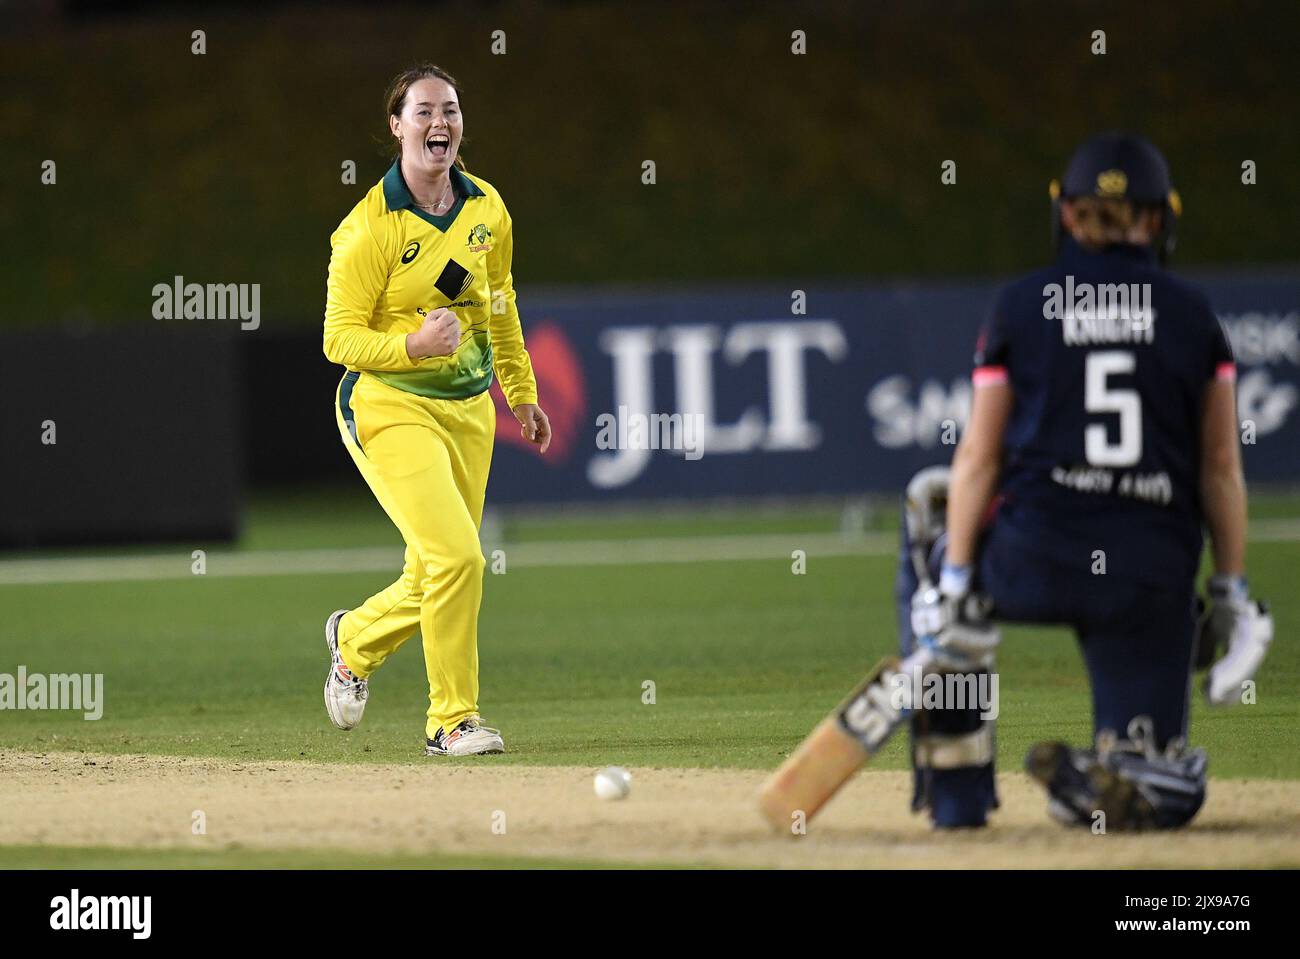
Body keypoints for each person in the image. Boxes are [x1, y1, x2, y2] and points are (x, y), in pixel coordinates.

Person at [896, 132, 1273, 830]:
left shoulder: (1020, 305)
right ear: (1157, 219)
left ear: (1067, 213)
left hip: (1029, 562)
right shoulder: (1192, 315)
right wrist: (1230, 588)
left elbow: (977, 457)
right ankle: (1124, 773)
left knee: (931, 507)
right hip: (1146, 578)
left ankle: (958, 795)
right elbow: (1221, 469)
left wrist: (952, 584)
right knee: (1155, 774)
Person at [320, 63, 551, 757]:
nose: (438, 122)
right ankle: (451, 721)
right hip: (388, 404)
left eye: (448, 110)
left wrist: (521, 391)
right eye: (422, 111)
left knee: (436, 571)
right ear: (397, 126)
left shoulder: (486, 208)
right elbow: (338, 338)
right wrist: (413, 345)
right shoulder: (369, 228)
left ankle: (353, 642)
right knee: (460, 558)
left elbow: (500, 304)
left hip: (469, 410)